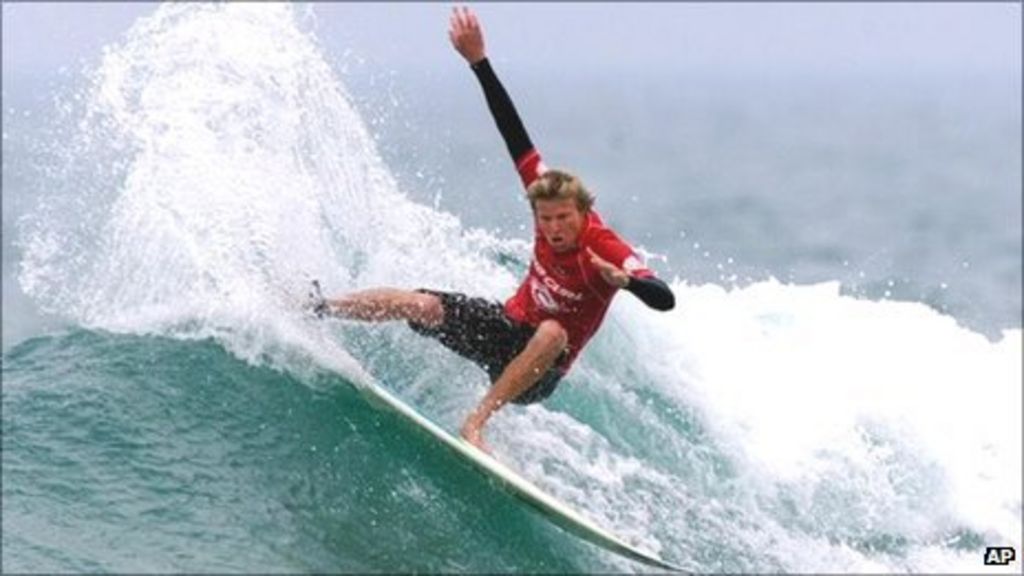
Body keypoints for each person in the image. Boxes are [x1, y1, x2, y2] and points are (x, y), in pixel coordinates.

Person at [311, 6, 675, 453]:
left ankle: (476, 423)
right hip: (505, 328)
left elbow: (664, 296)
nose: (555, 227)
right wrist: (478, 63)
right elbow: (514, 133)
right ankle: (318, 307)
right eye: (546, 219)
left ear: (583, 212)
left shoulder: (604, 245)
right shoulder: (542, 194)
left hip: (542, 371)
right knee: (420, 303)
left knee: (553, 332)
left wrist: (627, 283)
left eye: (565, 218)